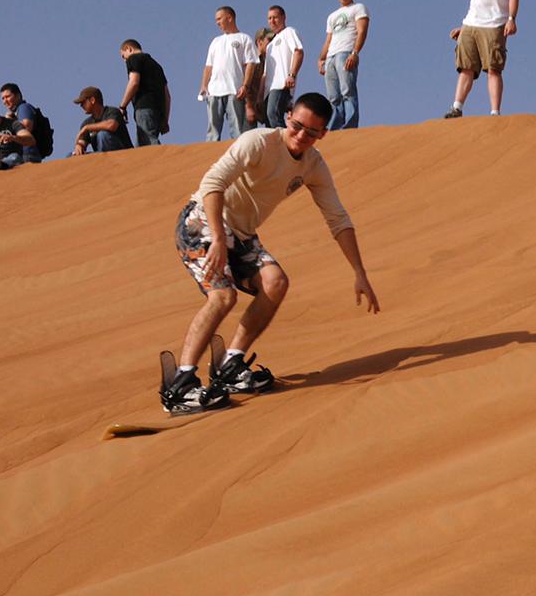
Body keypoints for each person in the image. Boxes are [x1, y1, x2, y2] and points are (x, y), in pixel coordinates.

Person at [162, 92, 381, 414]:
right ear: (287, 116)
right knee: (222, 297)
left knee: (275, 282)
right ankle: (181, 383)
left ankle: (231, 365)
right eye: (297, 126)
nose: (301, 136)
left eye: (311, 132)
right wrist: (219, 238)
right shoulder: (258, 142)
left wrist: (359, 272)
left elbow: (337, 218)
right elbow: (212, 185)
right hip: (202, 222)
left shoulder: (313, 165)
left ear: (323, 134)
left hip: (242, 234)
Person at [444, 0, 521, 118]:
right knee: (465, 67)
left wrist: (512, 19)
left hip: (495, 23)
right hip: (471, 23)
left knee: (493, 68)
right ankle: (457, 107)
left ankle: (495, 112)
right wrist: (463, 27)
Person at [317, 0, 369, 130]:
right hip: (331, 56)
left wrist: (355, 53)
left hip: (346, 52)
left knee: (347, 90)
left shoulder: (359, 8)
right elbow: (328, 39)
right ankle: (334, 127)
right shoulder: (332, 16)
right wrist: (321, 58)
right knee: (333, 96)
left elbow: (362, 31)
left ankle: (350, 125)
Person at [200, 6, 258, 141]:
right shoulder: (216, 41)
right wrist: (204, 85)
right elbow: (208, 66)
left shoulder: (244, 38)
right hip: (214, 91)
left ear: (229, 18)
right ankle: (210, 155)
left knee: (237, 128)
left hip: (234, 89)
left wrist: (245, 85)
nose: (217, 23)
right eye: (216, 20)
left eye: (219, 19)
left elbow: (251, 63)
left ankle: (238, 156)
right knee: (213, 129)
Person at [118, 40, 171, 145]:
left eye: (123, 56)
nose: (124, 60)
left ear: (129, 49)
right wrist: (165, 119)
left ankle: (166, 161)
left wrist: (122, 106)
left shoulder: (133, 58)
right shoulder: (157, 66)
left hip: (144, 108)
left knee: (148, 144)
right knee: (144, 145)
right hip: (158, 111)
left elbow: (133, 83)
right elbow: (167, 96)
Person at [264, 5, 304, 128]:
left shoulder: (289, 32)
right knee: (269, 122)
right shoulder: (269, 45)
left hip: (282, 84)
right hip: (269, 89)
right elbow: (265, 72)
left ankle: (286, 145)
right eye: (269, 18)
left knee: (273, 114)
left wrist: (292, 75)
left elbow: (298, 52)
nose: (272, 21)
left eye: (275, 17)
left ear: (283, 17)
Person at [72, 87, 133, 155]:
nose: (81, 106)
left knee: (103, 135)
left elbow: (112, 125)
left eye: (83, 102)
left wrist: (87, 128)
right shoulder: (86, 123)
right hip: (100, 155)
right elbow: (82, 142)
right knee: (70, 155)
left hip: (123, 154)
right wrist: (79, 146)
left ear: (92, 100)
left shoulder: (113, 111)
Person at [0, 97, 37, 171]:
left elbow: (31, 140)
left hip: (13, 162)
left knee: (14, 157)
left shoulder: (12, 124)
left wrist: (12, 137)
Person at [0, 84, 46, 163]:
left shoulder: (23, 107)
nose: (5, 101)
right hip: (25, 154)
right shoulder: (16, 112)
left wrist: (9, 121)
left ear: (18, 96)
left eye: (7, 97)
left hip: (28, 155)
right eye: (3, 98)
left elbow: (27, 126)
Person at [244, 27, 274, 129]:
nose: (272, 44)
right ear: (260, 41)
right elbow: (244, 84)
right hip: (248, 105)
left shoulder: (270, 61)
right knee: (248, 139)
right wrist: (248, 107)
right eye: (269, 40)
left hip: (263, 106)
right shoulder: (251, 61)